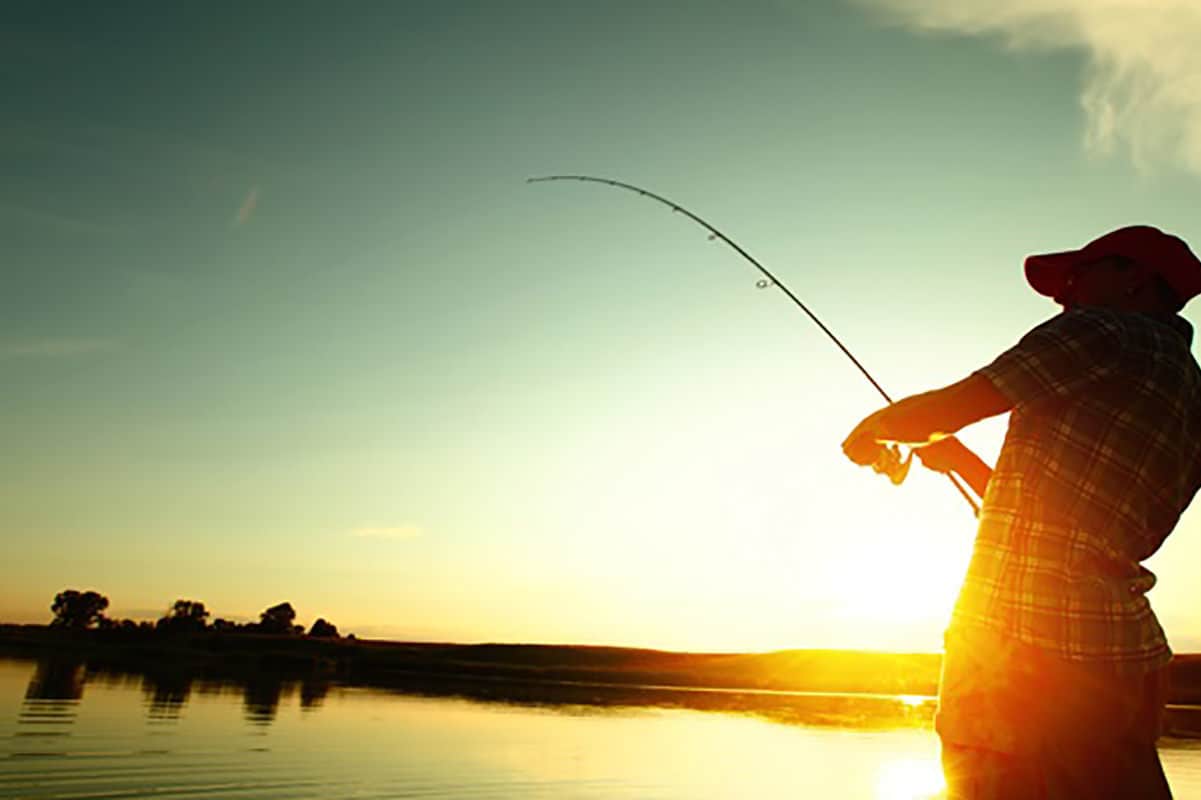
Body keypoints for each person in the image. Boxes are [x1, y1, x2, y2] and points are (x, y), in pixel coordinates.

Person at [842, 225, 1201, 798]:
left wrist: (874, 430)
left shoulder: (1100, 330)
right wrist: (959, 461)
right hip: (1126, 654)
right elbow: (1070, 520)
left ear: (1134, 279)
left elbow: (958, 403)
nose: (1066, 294)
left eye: (1081, 274)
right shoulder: (1190, 388)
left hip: (1020, 642)